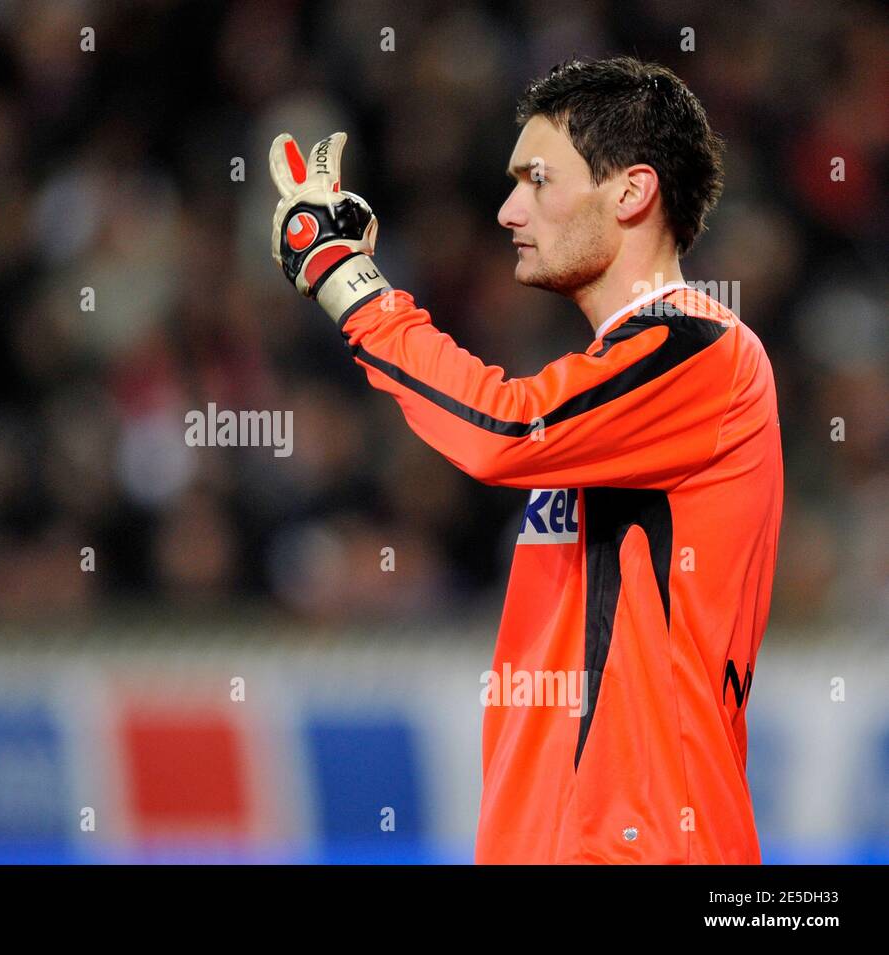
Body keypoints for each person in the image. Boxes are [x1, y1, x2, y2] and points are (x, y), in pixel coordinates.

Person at [269, 56, 783, 864]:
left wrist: (352, 285)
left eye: (537, 179)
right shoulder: (614, 395)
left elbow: (505, 430)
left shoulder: (706, 350)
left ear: (631, 192)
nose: (508, 209)